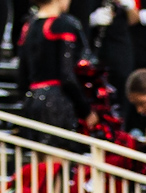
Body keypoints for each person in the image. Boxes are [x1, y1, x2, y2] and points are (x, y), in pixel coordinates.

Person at [20, 0, 93, 132]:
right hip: (57, 103)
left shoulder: (28, 26)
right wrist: (86, 110)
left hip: (32, 100)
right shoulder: (62, 25)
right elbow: (67, 75)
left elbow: (22, 76)